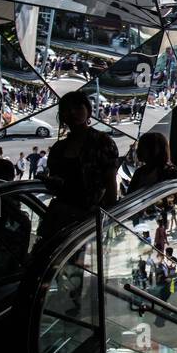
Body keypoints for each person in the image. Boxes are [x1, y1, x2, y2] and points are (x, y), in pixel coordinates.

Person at [36, 90, 120, 247]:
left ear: (88, 110)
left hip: (86, 220)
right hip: (60, 217)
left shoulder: (102, 142)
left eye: (77, 107)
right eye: (67, 109)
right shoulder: (59, 147)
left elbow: (110, 183)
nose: (73, 112)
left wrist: (108, 220)